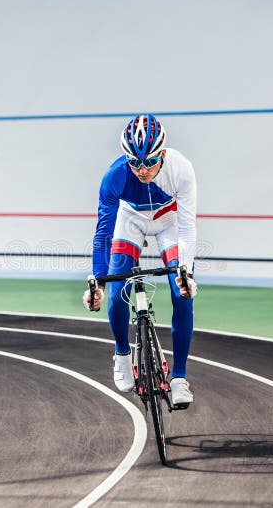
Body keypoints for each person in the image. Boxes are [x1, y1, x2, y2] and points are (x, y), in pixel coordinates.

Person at [83, 114, 198, 408]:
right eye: (134, 162)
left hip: (167, 219)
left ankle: (180, 378)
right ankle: (122, 354)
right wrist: (97, 280)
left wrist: (185, 273)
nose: (142, 170)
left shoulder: (181, 169)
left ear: (162, 153)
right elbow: (103, 232)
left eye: (149, 162)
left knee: (180, 293)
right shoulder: (114, 176)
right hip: (131, 219)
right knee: (117, 285)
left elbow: (187, 228)